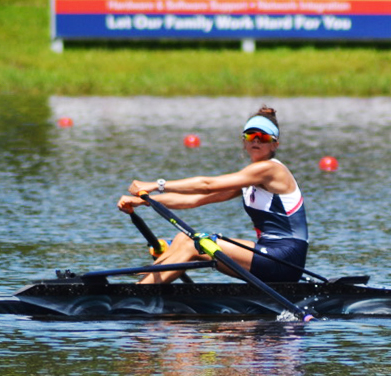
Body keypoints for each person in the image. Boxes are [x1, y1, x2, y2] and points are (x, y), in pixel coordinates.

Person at [117, 106, 309, 285]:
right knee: (182, 239)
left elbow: (207, 185)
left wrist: (156, 185)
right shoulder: (249, 179)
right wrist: (141, 201)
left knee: (195, 245)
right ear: (244, 142)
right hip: (269, 255)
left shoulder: (271, 170)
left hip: (285, 259)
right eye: (251, 135)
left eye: (263, 136)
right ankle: (141, 287)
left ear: (275, 145)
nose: (256, 140)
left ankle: (135, 294)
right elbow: (195, 199)